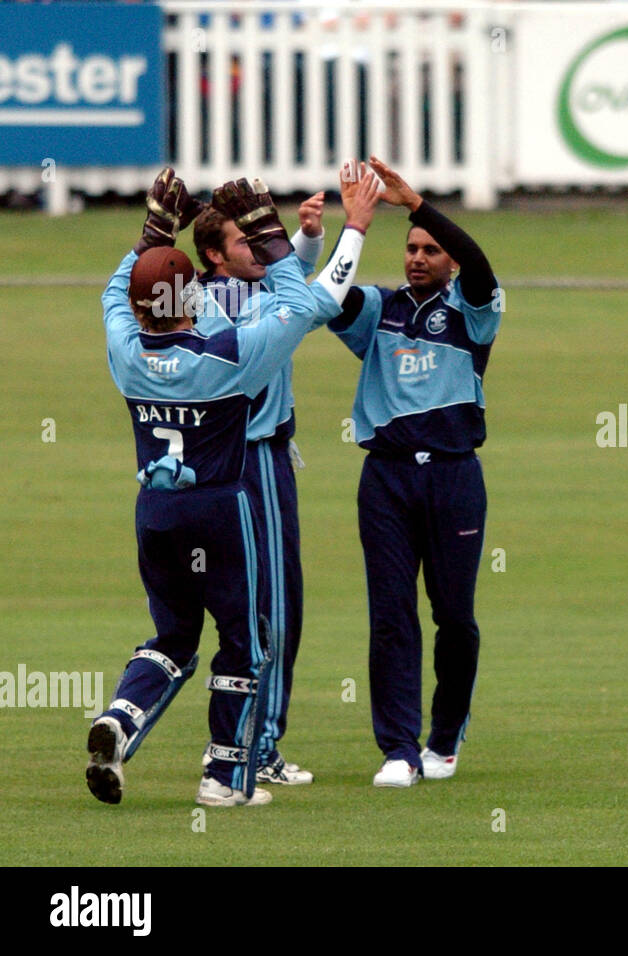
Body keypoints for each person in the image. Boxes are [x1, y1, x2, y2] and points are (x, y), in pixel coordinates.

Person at [86, 168, 379, 807]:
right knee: (246, 639)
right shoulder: (229, 355)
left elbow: (114, 291)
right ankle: (225, 778)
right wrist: (270, 233)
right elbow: (304, 306)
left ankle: (121, 718)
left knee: (171, 638)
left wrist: (151, 235)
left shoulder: (126, 351)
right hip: (222, 506)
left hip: (154, 510)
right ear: (191, 295)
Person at [326, 156, 501, 788]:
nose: (419, 257)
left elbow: (478, 261)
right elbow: (327, 297)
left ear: (447, 259)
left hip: (454, 480)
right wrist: (355, 225)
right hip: (387, 481)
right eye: (411, 249)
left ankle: (445, 736)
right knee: (390, 614)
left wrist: (418, 205)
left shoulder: (475, 311)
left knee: (453, 618)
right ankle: (398, 748)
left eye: (430, 249)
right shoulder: (379, 310)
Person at [189, 190, 329, 786]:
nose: (261, 250)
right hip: (257, 460)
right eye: (246, 242)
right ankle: (258, 747)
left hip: (203, 467)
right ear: (218, 256)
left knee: (230, 611)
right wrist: (356, 230)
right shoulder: (252, 296)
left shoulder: (193, 297)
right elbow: (315, 296)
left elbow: (287, 274)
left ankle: (228, 741)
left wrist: (305, 238)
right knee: (275, 606)